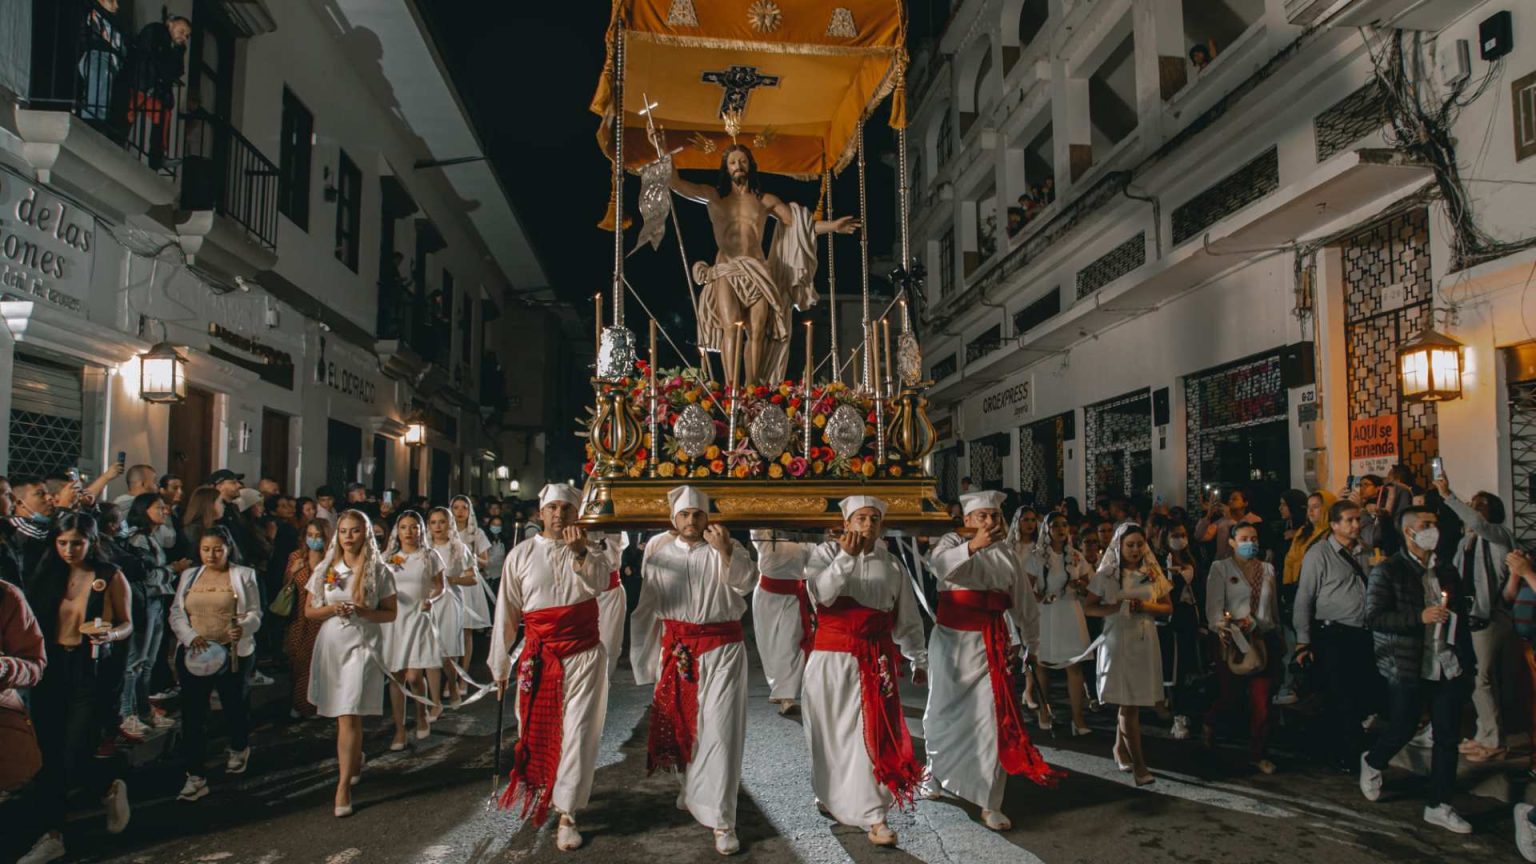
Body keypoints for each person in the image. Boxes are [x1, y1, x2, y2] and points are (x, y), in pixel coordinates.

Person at [661, 143, 858, 388]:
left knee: (758, 331)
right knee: (731, 325)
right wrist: (662, 149)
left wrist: (833, 227)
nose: (738, 166)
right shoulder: (714, 198)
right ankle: (732, 388)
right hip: (728, 269)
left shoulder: (765, 201)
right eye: (732, 162)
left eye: (742, 161)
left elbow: (797, 225)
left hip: (757, 271)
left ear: (750, 167)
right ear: (726, 168)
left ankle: (753, 390)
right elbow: (677, 184)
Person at [631, 486, 754, 855]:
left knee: (720, 731)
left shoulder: (729, 550)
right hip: (679, 652)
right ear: (674, 519)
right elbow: (647, 610)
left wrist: (727, 551)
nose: (691, 521)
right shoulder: (659, 557)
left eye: (697, 515)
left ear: (708, 518)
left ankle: (721, 821)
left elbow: (745, 583)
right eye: (684, 515)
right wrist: (645, 660)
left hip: (723, 651)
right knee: (683, 726)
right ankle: (689, 786)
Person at [925, 491, 1059, 830]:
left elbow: (1024, 602)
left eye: (994, 517)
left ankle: (989, 800)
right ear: (968, 520)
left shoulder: (1006, 554)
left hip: (990, 647)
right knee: (942, 711)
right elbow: (940, 566)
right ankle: (937, 773)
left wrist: (1031, 642)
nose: (989, 522)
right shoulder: (949, 543)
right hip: (951, 645)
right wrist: (972, 547)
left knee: (989, 718)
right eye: (981, 516)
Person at [489, 484, 611, 851]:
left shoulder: (591, 550)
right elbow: (507, 613)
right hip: (539, 657)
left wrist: (580, 554)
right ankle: (546, 787)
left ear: (577, 515)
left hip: (584, 657)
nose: (559, 515)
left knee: (577, 733)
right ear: (540, 513)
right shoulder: (521, 555)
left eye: (566, 509)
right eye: (552, 508)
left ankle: (568, 813)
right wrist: (499, 666)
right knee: (539, 729)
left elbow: (601, 582)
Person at [802, 496, 927, 846]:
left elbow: (907, 617)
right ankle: (830, 795)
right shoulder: (824, 555)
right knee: (827, 736)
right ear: (847, 523)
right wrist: (846, 557)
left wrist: (917, 657)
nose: (867, 525)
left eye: (874, 519)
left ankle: (875, 816)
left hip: (875, 662)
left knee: (869, 737)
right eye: (860, 518)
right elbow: (822, 595)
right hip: (830, 661)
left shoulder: (891, 566)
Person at [18, 512, 133, 864]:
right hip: (51, 668)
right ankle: (53, 834)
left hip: (89, 667)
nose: (69, 549)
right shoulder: (45, 575)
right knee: (47, 754)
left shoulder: (109, 575)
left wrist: (109, 634)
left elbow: (128, 623)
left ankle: (108, 784)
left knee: (73, 750)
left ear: (92, 542)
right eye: (63, 542)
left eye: (77, 543)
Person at [1360, 506, 1476, 834]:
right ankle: (1373, 760)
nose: (1432, 531)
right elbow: (1374, 617)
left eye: (1434, 525)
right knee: (1404, 726)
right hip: (1409, 665)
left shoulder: (1446, 570)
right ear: (1409, 532)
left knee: (1447, 736)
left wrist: (1466, 659)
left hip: (1446, 663)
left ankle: (1440, 804)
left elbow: (1460, 616)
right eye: (1426, 525)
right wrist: (1418, 618)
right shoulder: (1389, 571)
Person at [303, 510, 398, 816]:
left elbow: (390, 613)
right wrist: (332, 608)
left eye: (355, 531)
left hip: (363, 643)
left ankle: (342, 786)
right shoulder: (326, 569)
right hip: (333, 642)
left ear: (365, 534)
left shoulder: (379, 571)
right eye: (343, 530)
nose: (348, 536)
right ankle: (354, 758)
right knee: (340, 713)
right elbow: (309, 611)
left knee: (350, 711)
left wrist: (362, 611)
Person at [167, 526, 261, 802]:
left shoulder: (243, 575)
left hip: (233, 653)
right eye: (206, 549)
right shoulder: (189, 575)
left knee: (234, 704)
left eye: (218, 549)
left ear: (228, 549)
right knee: (193, 714)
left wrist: (243, 627)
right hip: (195, 654)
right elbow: (176, 612)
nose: (211, 555)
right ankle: (195, 775)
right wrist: (190, 636)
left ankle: (239, 746)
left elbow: (255, 612)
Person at [1431, 473, 1515, 763]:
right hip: (1468, 617)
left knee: (1483, 680)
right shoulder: (1467, 541)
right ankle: (1483, 734)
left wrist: (1447, 495)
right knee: (1476, 679)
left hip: (1488, 618)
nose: (1473, 509)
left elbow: (1479, 523)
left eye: (1479, 505)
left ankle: (1495, 741)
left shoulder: (1499, 536)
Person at [1084, 523, 1171, 786]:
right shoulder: (1107, 574)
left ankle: (1120, 748)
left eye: (1139, 544)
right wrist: (1113, 608)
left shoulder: (1152, 572)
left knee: (1133, 698)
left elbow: (1167, 607)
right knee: (1128, 702)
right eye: (1129, 545)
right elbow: (1089, 608)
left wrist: (1146, 605)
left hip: (1145, 639)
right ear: (1119, 546)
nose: (1135, 550)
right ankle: (1140, 765)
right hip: (1118, 639)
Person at [1294, 499, 1374, 772]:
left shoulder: (1366, 551)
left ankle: (1351, 748)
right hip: (1333, 633)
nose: (1355, 525)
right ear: (1334, 524)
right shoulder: (1319, 554)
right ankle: (1346, 754)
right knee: (1340, 694)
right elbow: (1305, 597)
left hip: (1362, 632)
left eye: (1358, 519)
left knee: (1359, 692)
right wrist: (1303, 640)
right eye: (1349, 520)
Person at [1203, 523, 1281, 774]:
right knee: (1232, 696)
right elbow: (1213, 607)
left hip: (1261, 639)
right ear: (1233, 542)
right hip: (1232, 641)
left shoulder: (1267, 569)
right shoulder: (1221, 569)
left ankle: (1258, 753)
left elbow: (1273, 610)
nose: (1251, 543)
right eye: (1244, 538)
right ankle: (1210, 722)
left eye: (1254, 538)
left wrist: (1269, 629)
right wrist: (1224, 627)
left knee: (1262, 701)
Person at [1024, 511, 1094, 735]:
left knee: (1074, 665)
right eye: (1056, 526)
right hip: (1046, 613)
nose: (1061, 529)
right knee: (1043, 664)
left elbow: (1090, 580)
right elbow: (1026, 588)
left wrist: (1079, 582)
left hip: (1070, 611)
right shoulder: (1036, 557)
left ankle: (1078, 718)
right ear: (1047, 529)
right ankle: (1045, 711)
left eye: (1065, 525)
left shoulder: (1074, 555)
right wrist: (1041, 598)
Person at [379, 511, 445, 750]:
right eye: (404, 527)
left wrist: (432, 599)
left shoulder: (430, 556)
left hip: (419, 617)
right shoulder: (390, 559)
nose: (409, 532)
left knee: (414, 676)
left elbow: (440, 586)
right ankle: (399, 730)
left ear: (421, 530)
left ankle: (421, 711)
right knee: (396, 676)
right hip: (395, 620)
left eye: (414, 527)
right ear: (398, 530)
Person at [117, 493, 179, 738]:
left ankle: (143, 711)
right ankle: (126, 714)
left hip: (156, 601)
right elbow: (147, 575)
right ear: (144, 510)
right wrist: (173, 570)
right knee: (134, 663)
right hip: (143, 602)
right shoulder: (138, 539)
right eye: (159, 507)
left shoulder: (152, 537)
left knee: (147, 662)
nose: (165, 511)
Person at [1276, 491, 1336, 706]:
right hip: (1296, 594)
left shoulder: (1331, 535)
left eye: (1317, 506)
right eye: (1309, 506)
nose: (1311, 511)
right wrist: (1288, 587)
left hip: (1318, 599)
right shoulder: (1302, 532)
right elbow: (1290, 561)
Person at [751, 529, 812, 715]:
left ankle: (787, 697)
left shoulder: (806, 538)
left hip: (793, 596)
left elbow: (813, 565)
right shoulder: (765, 535)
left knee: (789, 645)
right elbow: (757, 528)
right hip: (766, 596)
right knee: (768, 646)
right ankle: (777, 687)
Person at [427, 507, 476, 709]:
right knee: (430, 653)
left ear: (449, 524)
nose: (438, 527)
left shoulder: (458, 548)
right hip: (429, 602)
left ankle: (453, 685)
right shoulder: (425, 549)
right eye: (433, 522)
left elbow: (472, 578)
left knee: (447, 652)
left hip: (450, 601)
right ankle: (434, 701)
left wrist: (451, 580)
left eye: (442, 522)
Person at [283, 518, 331, 719]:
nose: (313, 539)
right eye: (310, 535)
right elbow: (285, 587)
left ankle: (309, 705)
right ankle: (297, 701)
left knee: (313, 662)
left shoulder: (333, 560)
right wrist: (292, 572)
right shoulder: (296, 557)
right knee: (295, 660)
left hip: (320, 619)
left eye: (318, 536)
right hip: (297, 617)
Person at [1163, 520, 1204, 739]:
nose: (1179, 538)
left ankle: (1190, 711)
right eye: (1174, 535)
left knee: (1190, 666)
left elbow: (1199, 586)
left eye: (1182, 534)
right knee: (1174, 669)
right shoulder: (1163, 561)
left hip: (1191, 616)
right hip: (1173, 619)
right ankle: (1177, 715)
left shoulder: (1192, 558)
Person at [449, 495, 495, 673]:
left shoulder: (476, 533)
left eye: (464, 508)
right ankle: (451, 675)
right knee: (450, 630)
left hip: (468, 582)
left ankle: (463, 675)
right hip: (450, 581)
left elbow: (485, 561)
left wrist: (468, 556)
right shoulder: (445, 531)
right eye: (456, 508)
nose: (460, 512)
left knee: (466, 631)